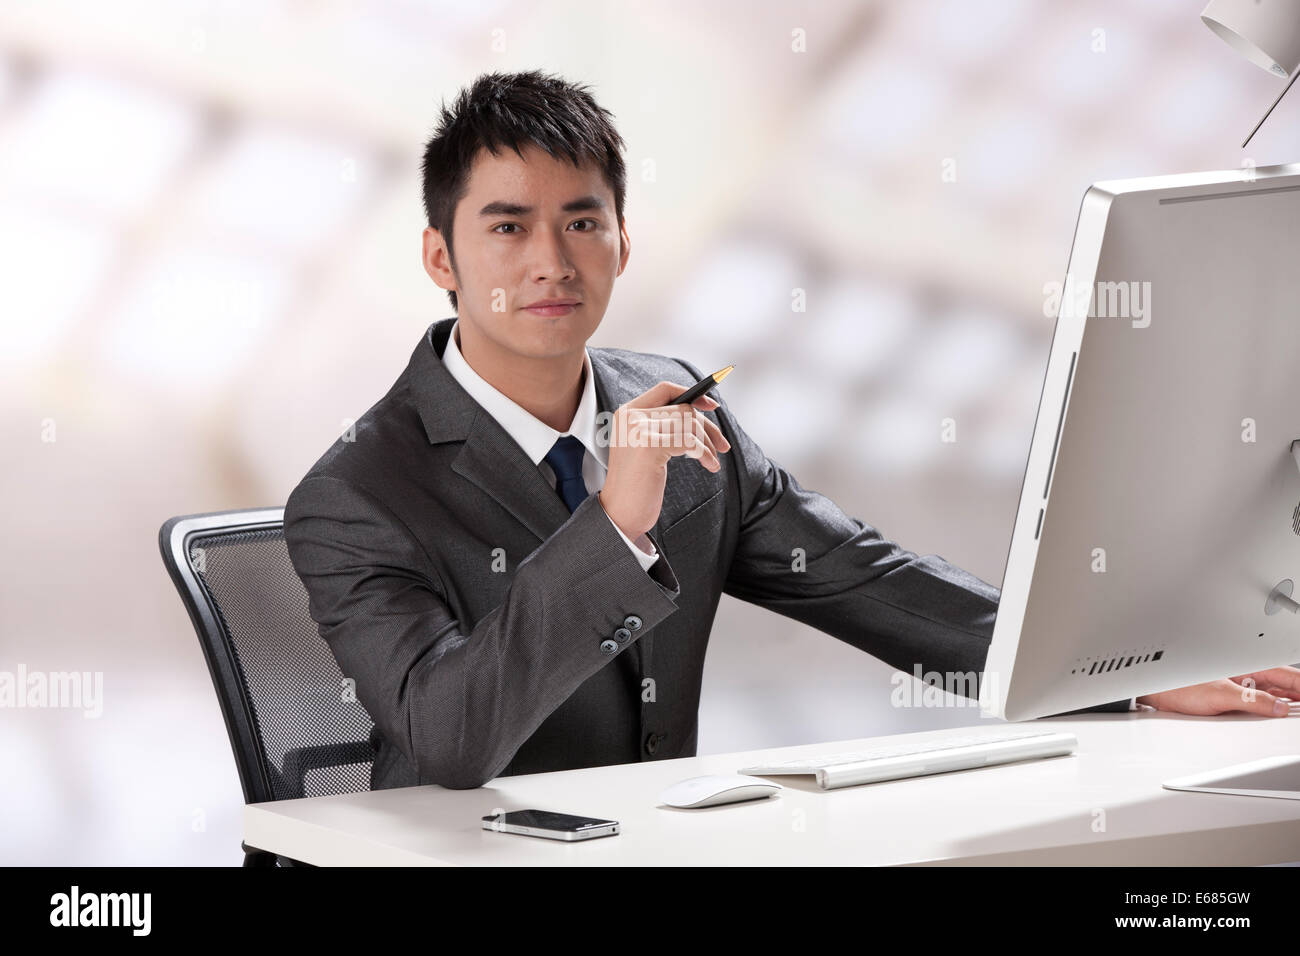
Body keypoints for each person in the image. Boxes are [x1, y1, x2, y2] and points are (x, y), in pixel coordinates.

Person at [283, 69, 1300, 791]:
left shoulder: (677, 402)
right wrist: (613, 523)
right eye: (506, 226)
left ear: (622, 242)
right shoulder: (353, 494)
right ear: (439, 254)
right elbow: (452, 740)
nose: (550, 259)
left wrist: (1120, 677)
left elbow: (867, 579)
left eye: (581, 221)